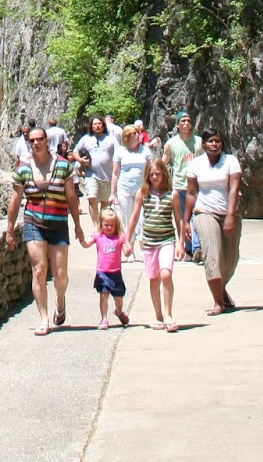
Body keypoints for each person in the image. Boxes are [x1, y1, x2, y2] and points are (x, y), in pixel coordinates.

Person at [5, 125, 84, 334]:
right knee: (39, 270)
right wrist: (9, 229)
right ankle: (44, 319)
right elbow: (15, 201)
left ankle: (60, 300)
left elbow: (71, 198)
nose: (36, 143)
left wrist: (77, 224)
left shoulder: (63, 166)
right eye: (32, 140)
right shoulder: (23, 169)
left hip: (58, 224)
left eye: (39, 139)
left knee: (60, 275)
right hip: (33, 224)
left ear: (46, 141)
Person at [184, 127, 243, 314]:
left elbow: (234, 188)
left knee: (230, 260)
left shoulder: (230, 161)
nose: (214, 144)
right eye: (210, 141)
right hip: (204, 212)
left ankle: (221, 289)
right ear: (204, 144)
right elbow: (192, 193)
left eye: (217, 141)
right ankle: (218, 302)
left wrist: (230, 216)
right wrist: (186, 221)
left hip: (228, 213)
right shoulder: (196, 164)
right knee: (212, 256)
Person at [125, 157, 183, 330]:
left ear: (164, 174)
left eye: (158, 174)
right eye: (152, 175)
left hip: (167, 240)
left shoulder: (172, 194)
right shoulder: (142, 193)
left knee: (166, 274)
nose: (155, 177)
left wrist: (181, 244)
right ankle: (158, 317)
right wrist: (127, 241)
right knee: (154, 279)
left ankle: (168, 315)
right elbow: (134, 217)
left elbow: (178, 219)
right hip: (149, 242)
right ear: (147, 176)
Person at [79, 206, 130, 329]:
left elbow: (125, 246)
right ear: (101, 224)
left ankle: (118, 311)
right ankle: (104, 319)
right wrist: (81, 238)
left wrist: (127, 249)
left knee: (119, 298)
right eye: (106, 224)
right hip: (102, 272)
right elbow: (86, 244)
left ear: (116, 225)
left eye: (112, 225)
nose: (109, 227)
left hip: (116, 272)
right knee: (104, 294)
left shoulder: (119, 237)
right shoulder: (98, 236)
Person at [163, 111, 202, 259]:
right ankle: (188, 248)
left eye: (188, 121)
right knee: (181, 218)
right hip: (179, 186)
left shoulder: (199, 142)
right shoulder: (171, 144)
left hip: (197, 186)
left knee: (195, 216)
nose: (186, 124)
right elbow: (163, 163)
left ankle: (197, 247)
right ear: (178, 125)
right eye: (183, 121)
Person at [111, 123, 151, 258]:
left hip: (142, 189)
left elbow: (150, 170)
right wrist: (112, 193)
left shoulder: (145, 151)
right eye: (134, 133)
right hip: (124, 188)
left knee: (142, 219)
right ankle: (129, 249)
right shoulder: (120, 152)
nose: (138, 135)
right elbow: (115, 173)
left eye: (138, 132)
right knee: (127, 218)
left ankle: (143, 250)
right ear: (127, 137)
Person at [74, 115, 116, 225]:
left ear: (103, 125)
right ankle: (96, 226)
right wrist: (81, 160)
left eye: (99, 124)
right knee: (92, 198)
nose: (97, 126)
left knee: (105, 202)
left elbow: (118, 153)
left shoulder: (111, 138)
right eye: (94, 124)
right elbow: (75, 152)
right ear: (91, 127)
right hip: (91, 174)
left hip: (107, 175)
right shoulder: (86, 139)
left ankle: (103, 224)